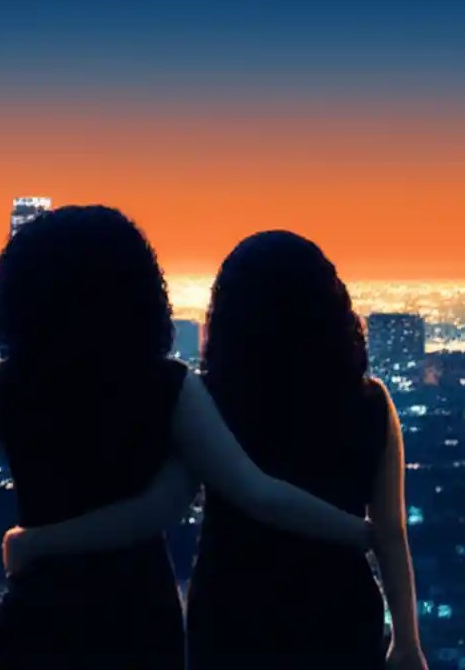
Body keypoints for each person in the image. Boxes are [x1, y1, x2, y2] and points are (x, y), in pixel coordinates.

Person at [0, 206, 371, 669]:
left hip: (43, 617)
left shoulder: (3, 387)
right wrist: (365, 535)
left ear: (23, 296)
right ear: (140, 294)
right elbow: (256, 492)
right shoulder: (170, 387)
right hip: (141, 616)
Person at [183, 231, 424, 668]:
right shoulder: (370, 403)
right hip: (337, 612)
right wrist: (407, 642)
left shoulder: (205, 401)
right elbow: (391, 529)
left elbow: (169, 499)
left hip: (232, 613)